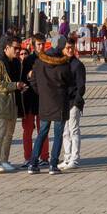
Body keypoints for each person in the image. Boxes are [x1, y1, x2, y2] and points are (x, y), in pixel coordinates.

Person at [27, 37, 77, 175]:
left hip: (44, 102)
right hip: (60, 102)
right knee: (58, 134)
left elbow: (33, 81)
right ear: (61, 47)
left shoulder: (39, 62)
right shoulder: (64, 64)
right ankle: (53, 164)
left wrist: (41, 93)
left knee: (42, 132)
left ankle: (33, 163)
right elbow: (71, 84)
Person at [0, 37, 22, 173]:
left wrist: (20, 86)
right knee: (0, 133)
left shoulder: (16, 62)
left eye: (19, 48)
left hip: (13, 102)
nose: (18, 51)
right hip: (2, 102)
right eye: (15, 48)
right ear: (6, 48)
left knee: (10, 133)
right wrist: (14, 85)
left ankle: (4, 160)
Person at [17, 43, 48, 166]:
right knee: (28, 130)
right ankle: (28, 157)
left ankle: (44, 157)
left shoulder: (46, 58)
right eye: (39, 44)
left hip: (42, 100)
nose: (41, 46)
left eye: (43, 44)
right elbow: (21, 79)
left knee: (43, 129)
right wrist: (27, 77)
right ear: (34, 45)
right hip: (28, 100)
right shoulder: (27, 61)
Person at [58, 41, 87, 169]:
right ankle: (67, 156)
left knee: (73, 129)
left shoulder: (78, 65)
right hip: (62, 102)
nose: (70, 50)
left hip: (74, 102)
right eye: (67, 48)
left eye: (71, 47)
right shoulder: (61, 63)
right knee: (65, 131)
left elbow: (81, 86)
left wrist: (76, 101)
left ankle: (75, 158)